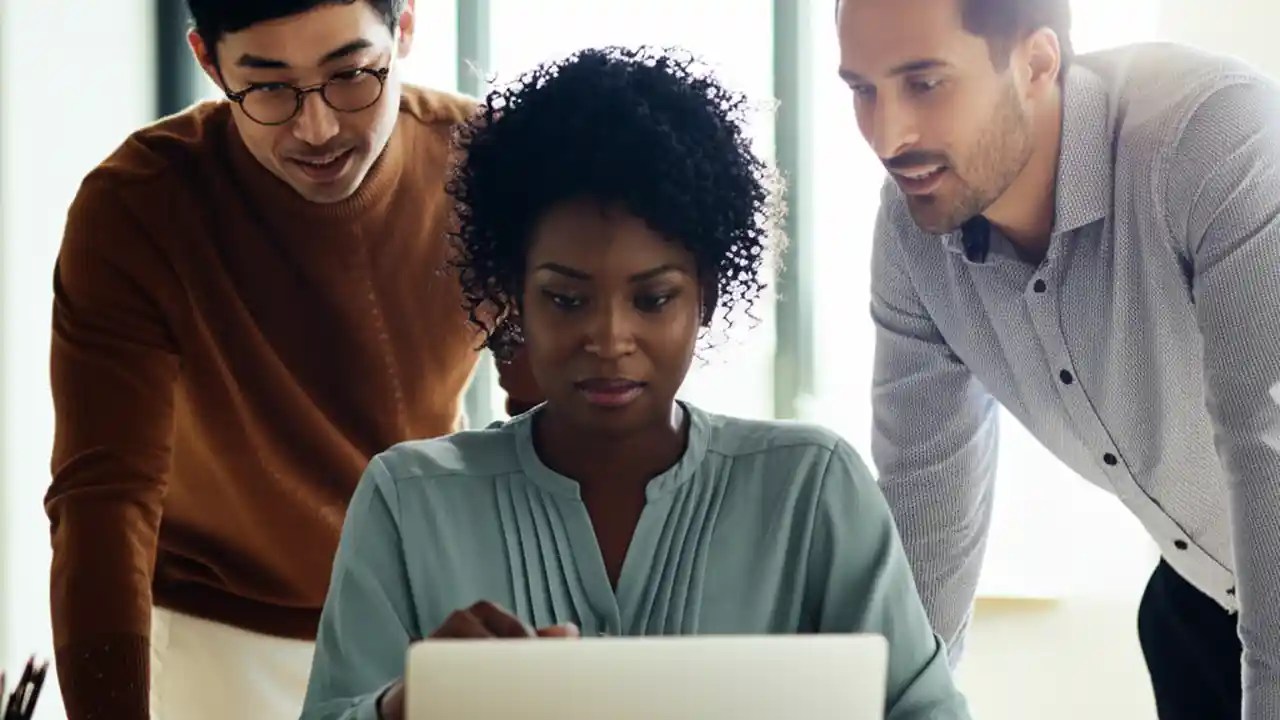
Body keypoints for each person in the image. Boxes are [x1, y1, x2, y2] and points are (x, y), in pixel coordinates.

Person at [299, 46, 972, 720]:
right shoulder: (409, 503)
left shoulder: (811, 488)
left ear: (704, 297)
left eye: (652, 300)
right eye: (567, 300)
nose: (610, 339)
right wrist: (405, 707)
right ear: (513, 294)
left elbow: (927, 711)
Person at [44, 1, 540, 718]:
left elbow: (545, 424)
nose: (318, 128)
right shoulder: (135, 209)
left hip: (434, 620)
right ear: (209, 62)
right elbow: (103, 503)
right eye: (270, 86)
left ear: (403, 30)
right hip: (219, 641)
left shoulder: (487, 169)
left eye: (351, 74)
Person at [834, 0, 1280, 717]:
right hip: (1200, 605)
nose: (889, 136)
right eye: (862, 90)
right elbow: (927, 515)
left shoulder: (1212, 138)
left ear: (1037, 63)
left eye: (924, 83)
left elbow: (1272, 450)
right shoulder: (914, 234)